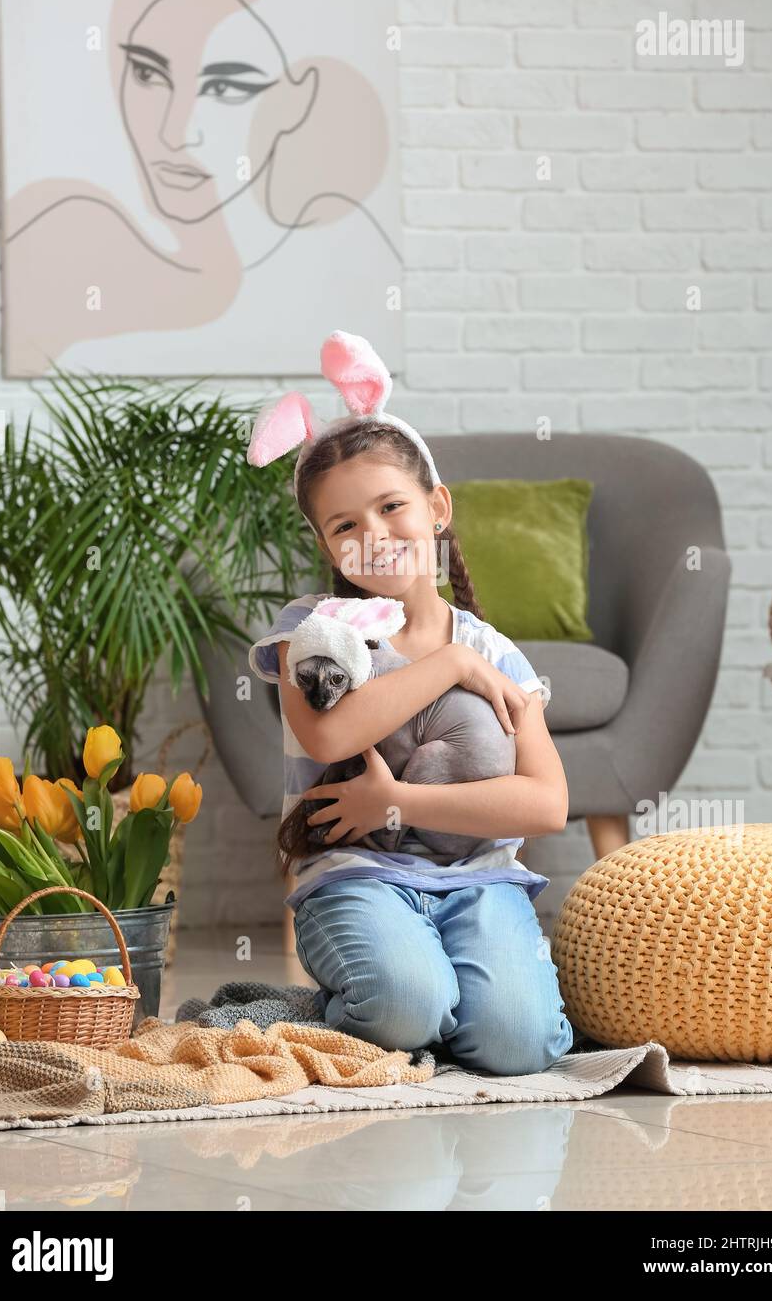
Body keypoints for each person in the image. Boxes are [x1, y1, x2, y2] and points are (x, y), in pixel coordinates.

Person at [246, 330, 575, 1075]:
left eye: (392, 507)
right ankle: (382, 1000)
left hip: (478, 880)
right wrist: (449, 662)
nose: (375, 537)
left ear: (437, 507)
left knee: (518, 1045)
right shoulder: (314, 630)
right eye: (345, 526)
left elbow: (545, 803)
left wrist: (397, 802)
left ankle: (456, 991)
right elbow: (330, 738)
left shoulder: (498, 653)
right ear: (329, 550)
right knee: (403, 1009)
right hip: (355, 877)